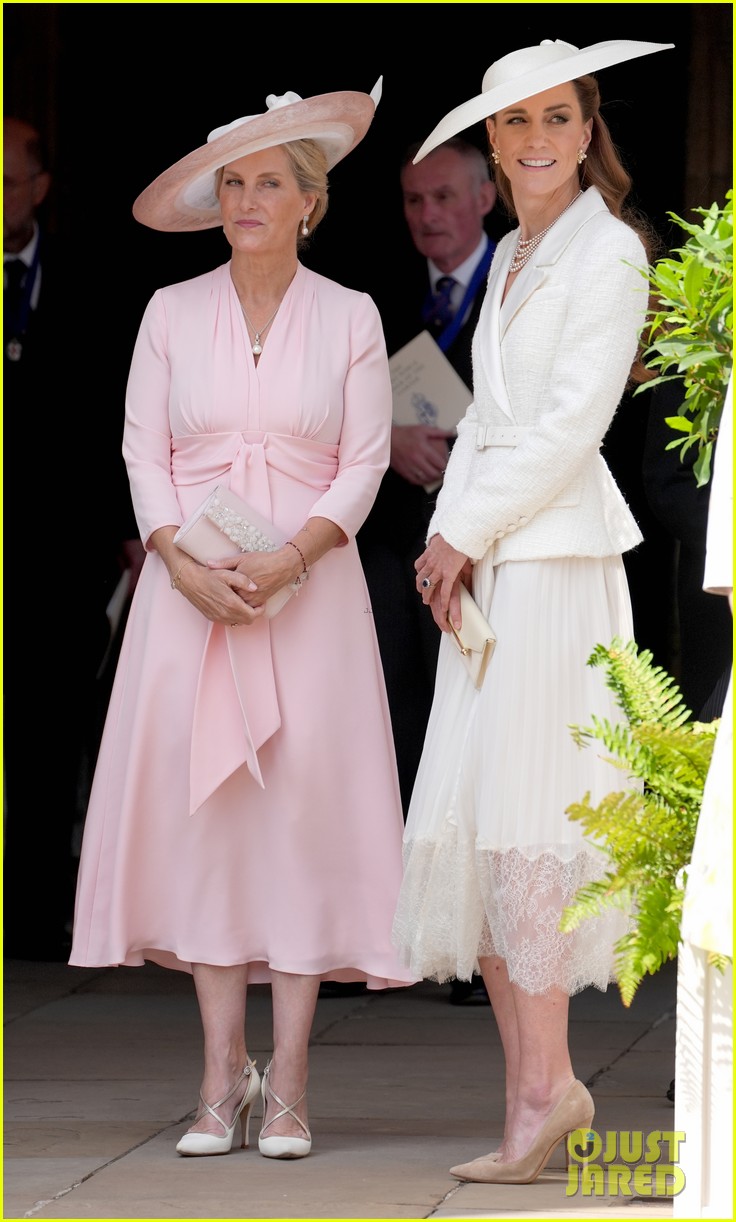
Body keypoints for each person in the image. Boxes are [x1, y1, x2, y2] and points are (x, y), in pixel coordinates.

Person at [68, 82, 417, 1161]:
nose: (248, 198)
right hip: (192, 606)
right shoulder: (170, 312)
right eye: (234, 183)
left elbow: (364, 461)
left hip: (310, 601)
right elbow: (141, 451)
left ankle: (294, 1080)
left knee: (302, 824)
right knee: (214, 826)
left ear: (310, 202)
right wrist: (177, 561)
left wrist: (291, 558)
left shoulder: (352, 313)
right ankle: (221, 1080)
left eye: (270, 182)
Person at [390, 37, 675, 1184]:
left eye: (557, 117)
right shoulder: (510, 248)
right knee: (484, 824)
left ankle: (545, 1086)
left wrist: (467, 531)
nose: (536, 138)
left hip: (552, 560)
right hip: (489, 559)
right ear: (494, 142)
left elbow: (567, 427)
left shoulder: (609, 252)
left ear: (586, 124)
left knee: (536, 829)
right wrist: (441, 543)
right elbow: (487, 421)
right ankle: (534, 1092)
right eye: (514, 122)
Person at [359, 137, 498, 1008]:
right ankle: (386, 933)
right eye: (414, 201)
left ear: (486, 198)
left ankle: (476, 949)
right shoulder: (377, 294)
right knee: (391, 725)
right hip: (386, 549)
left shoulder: (516, 285)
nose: (429, 216)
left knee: (475, 740)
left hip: (482, 549)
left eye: (444, 197)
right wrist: (390, 440)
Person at [3, 117, 143, 961]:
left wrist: (128, 531)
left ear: (43, 186)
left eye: (11, 182)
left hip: (60, 547)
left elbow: (114, 416)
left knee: (51, 727)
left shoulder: (91, 280)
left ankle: (33, 914)